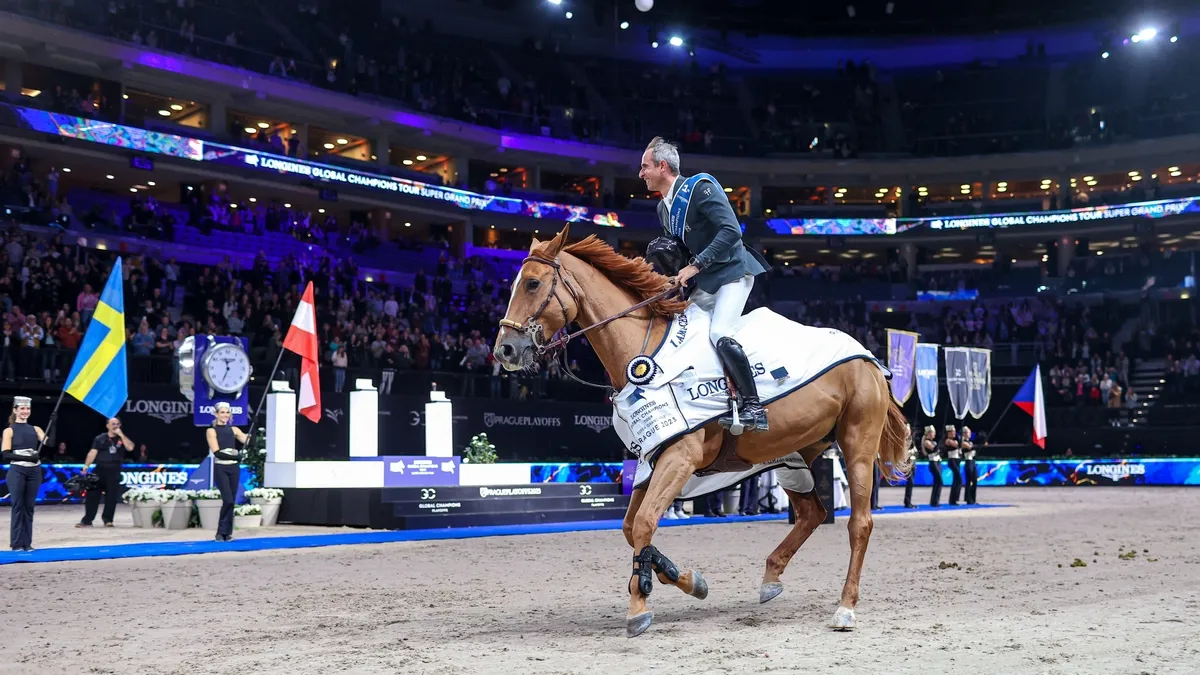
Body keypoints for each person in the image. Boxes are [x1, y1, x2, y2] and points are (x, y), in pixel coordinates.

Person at [639, 136, 771, 431]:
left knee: (720, 332)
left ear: (662, 166)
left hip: (733, 272)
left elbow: (731, 230)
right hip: (707, 280)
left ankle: (754, 406)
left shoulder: (700, 187)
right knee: (678, 333)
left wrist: (696, 265)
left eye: (645, 167)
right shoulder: (663, 209)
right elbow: (680, 252)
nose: (641, 174)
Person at [2, 396, 46, 551]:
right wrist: (27, 457)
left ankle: (27, 543)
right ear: (15, 410)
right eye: (22, 408)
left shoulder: (35, 429)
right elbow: (6, 455)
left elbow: (48, 441)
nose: (25, 411)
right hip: (18, 470)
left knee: (29, 507)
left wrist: (54, 422)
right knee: (18, 506)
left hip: (34, 470)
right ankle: (16, 543)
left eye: (27, 409)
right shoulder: (9, 430)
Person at [77, 417, 134, 528]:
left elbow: (130, 447)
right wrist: (86, 466)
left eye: (118, 424)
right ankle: (87, 520)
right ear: (107, 425)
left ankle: (108, 520)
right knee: (92, 496)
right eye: (113, 424)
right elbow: (93, 452)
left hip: (114, 470)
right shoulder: (100, 438)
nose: (116, 426)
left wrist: (122, 435)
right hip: (100, 470)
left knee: (111, 497)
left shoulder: (122, 439)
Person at [206, 401, 249, 542]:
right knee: (228, 500)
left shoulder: (234, 430)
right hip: (221, 468)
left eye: (227, 412)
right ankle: (220, 532)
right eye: (222, 412)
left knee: (232, 502)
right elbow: (217, 453)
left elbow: (248, 441)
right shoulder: (211, 431)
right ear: (216, 414)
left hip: (234, 468)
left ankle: (227, 533)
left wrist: (254, 430)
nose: (225, 415)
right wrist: (236, 456)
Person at [921, 425, 942, 507]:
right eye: (933, 432)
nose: (934, 434)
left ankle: (935, 501)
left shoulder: (933, 441)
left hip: (938, 462)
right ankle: (935, 501)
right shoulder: (926, 442)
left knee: (937, 482)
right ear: (929, 433)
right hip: (933, 462)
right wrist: (940, 442)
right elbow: (934, 449)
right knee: (939, 481)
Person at [943, 425, 962, 505]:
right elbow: (957, 445)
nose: (954, 433)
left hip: (957, 460)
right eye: (953, 431)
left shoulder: (955, 439)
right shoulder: (948, 440)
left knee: (956, 480)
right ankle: (953, 499)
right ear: (949, 432)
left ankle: (954, 500)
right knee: (958, 479)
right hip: (952, 460)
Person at [962, 426, 980, 505]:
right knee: (969, 480)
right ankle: (968, 499)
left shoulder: (970, 442)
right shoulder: (963, 442)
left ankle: (973, 498)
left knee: (975, 480)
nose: (969, 434)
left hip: (972, 461)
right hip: (968, 461)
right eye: (968, 432)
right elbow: (970, 447)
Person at [902, 423, 918, 508]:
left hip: (912, 461)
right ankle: (907, 502)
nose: (908, 431)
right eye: (907, 430)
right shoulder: (903, 440)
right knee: (910, 482)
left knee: (911, 483)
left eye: (909, 430)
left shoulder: (910, 439)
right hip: (907, 462)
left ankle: (908, 501)